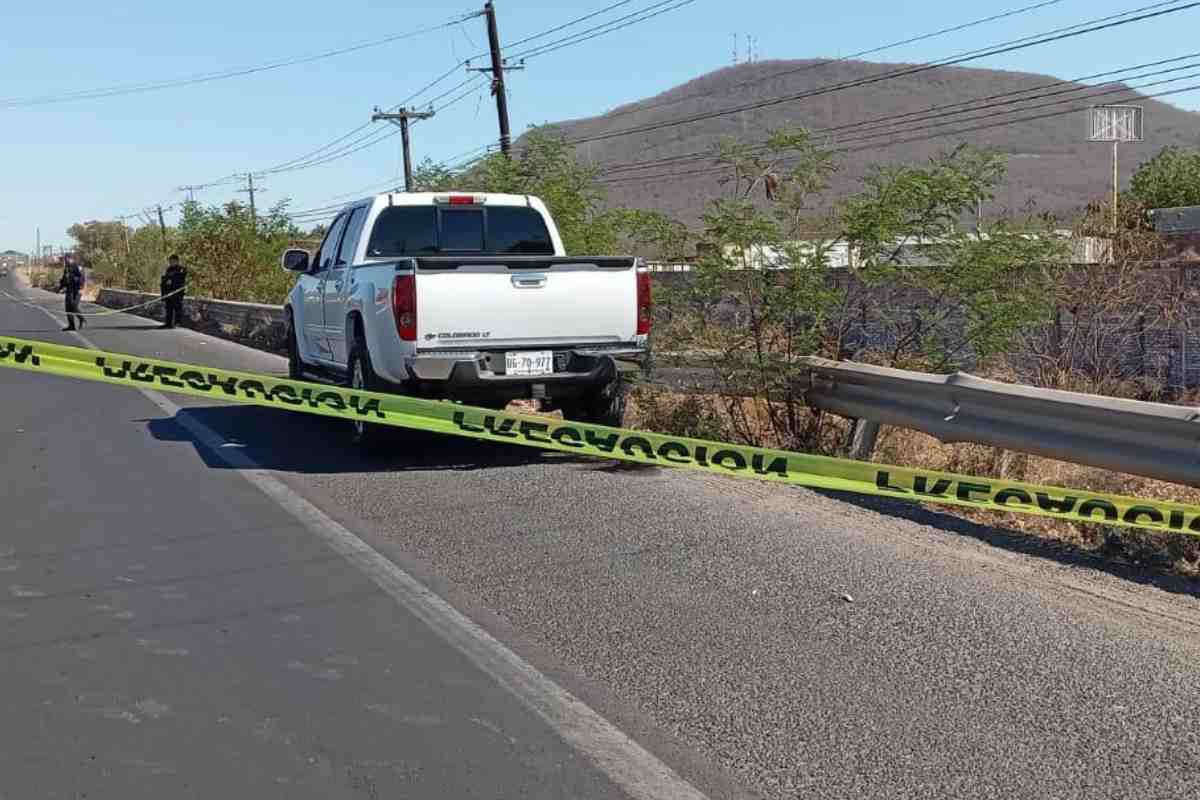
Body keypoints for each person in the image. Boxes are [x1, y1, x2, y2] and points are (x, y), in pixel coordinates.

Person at [56, 255, 85, 331]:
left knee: (73, 306)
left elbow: (81, 278)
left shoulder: (77, 266)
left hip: (76, 290)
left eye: (66, 259)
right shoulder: (67, 268)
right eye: (64, 260)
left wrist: (79, 286)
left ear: (70, 259)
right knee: (68, 308)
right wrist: (60, 287)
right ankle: (71, 326)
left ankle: (81, 319)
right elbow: (64, 279)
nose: (64, 261)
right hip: (69, 290)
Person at [160, 254, 187, 329]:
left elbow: (180, 279)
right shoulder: (169, 269)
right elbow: (165, 279)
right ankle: (168, 323)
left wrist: (171, 280)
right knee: (168, 309)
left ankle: (177, 323)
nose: (170, 262)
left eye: (172, 261)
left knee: (177, 308)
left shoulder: (181, 269)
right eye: (170, 261)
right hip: (168, 292)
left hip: (177, 293)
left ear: (177, 261)